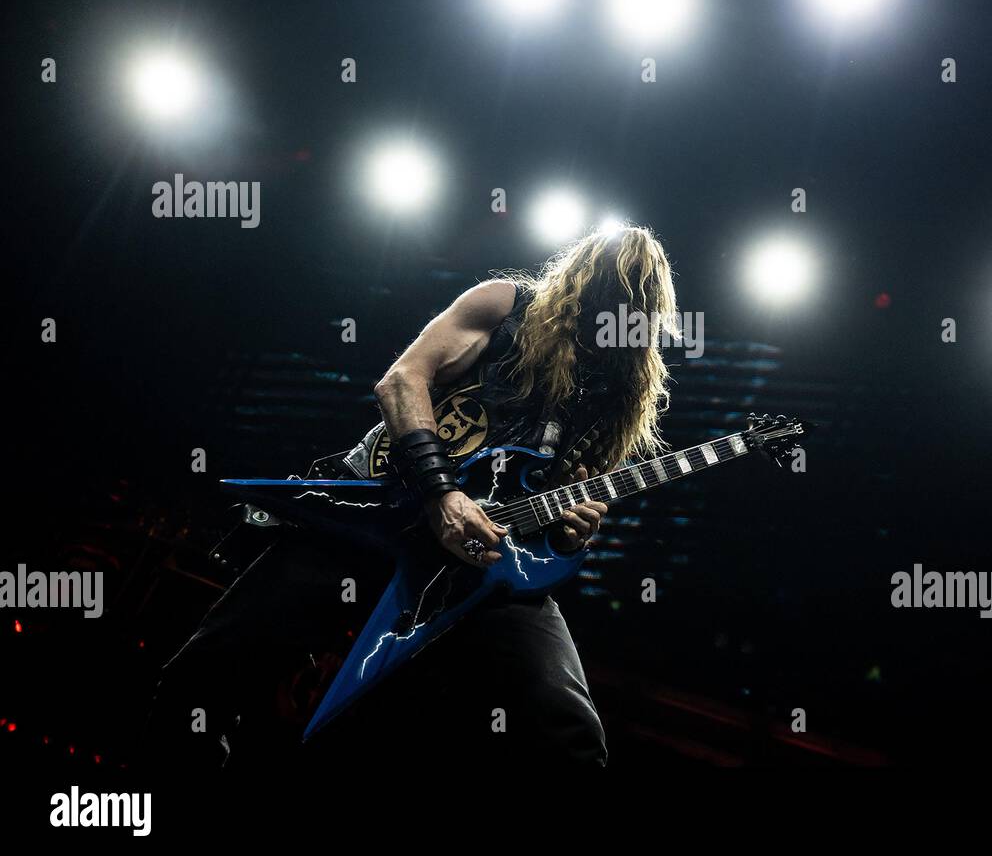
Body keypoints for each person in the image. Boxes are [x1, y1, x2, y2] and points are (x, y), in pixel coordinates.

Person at [144, 227, 679, 770]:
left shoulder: (614, 395)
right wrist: (440, 492)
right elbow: (401, 382)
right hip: (372, 516)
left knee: (570, 740)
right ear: (580, 277)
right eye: (612, 289)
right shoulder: (507, 306)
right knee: (200, 678)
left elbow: (554, 513)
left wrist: (571, 532)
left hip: (476, 567)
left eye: (636, 304)